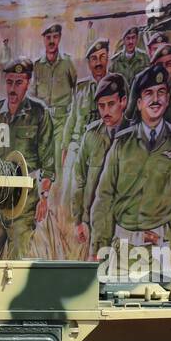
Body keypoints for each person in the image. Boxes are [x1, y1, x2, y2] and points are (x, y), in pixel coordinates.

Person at [90, 64, 171, 268]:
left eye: (161, 92)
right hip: (124, 247)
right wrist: (97, 248)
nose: (155, 99)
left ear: (167, 99)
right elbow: (104, 196)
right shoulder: (122, 143)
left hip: (162, 248)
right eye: (149, 93)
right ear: (139, 103)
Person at [0, 56, 55, 259]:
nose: (12, 88)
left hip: (24, 201)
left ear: (28, 83)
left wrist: (44, 197)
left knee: (17, 261)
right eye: (9, 82)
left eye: (18, 82)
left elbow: (48, 161)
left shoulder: (39, 113)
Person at [71, 72, 127, 251]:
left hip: (125, 224)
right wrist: (78, 221)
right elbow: (79, 179)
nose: (106, 111)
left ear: (123, 102)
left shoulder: (134, 135)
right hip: (95, 222)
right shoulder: (91, 135)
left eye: (111, 104)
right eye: (101, 106)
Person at [32, 23, 77, 167]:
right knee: (42, 157)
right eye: (48, 37)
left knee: (58, 159)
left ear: (60, 38)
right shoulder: (37, 66)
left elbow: (76, 88)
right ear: (44, 39)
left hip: (61, 121)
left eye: (55, 37)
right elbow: (32, 94)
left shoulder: (67, 63)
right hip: (43, 120)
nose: (52, 41)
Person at [64, 38, 110, 167]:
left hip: (105, 146)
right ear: (89, 63)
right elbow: (72, 119)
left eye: (102, 57)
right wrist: (65, 148)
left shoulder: (116, 84)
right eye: (94, 59)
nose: (98, 63)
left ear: (108, 58)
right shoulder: (80, 88)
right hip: (78, 145)